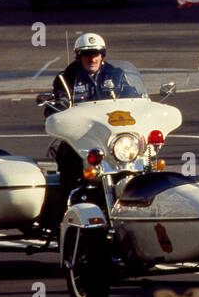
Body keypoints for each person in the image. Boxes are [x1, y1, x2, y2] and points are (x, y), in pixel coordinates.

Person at [46, 32, 133, 193]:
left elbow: (132, 95)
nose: (92, 59)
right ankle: (69, 199)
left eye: (96, 54)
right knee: (68, 157)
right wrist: (57, 108)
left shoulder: (116, 74)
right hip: (83, 134)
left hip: (114, 131)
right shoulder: (66, 78)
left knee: (143, 152)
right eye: (86, 54)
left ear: (102, 55)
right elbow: (61, 99)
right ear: (78, 56)